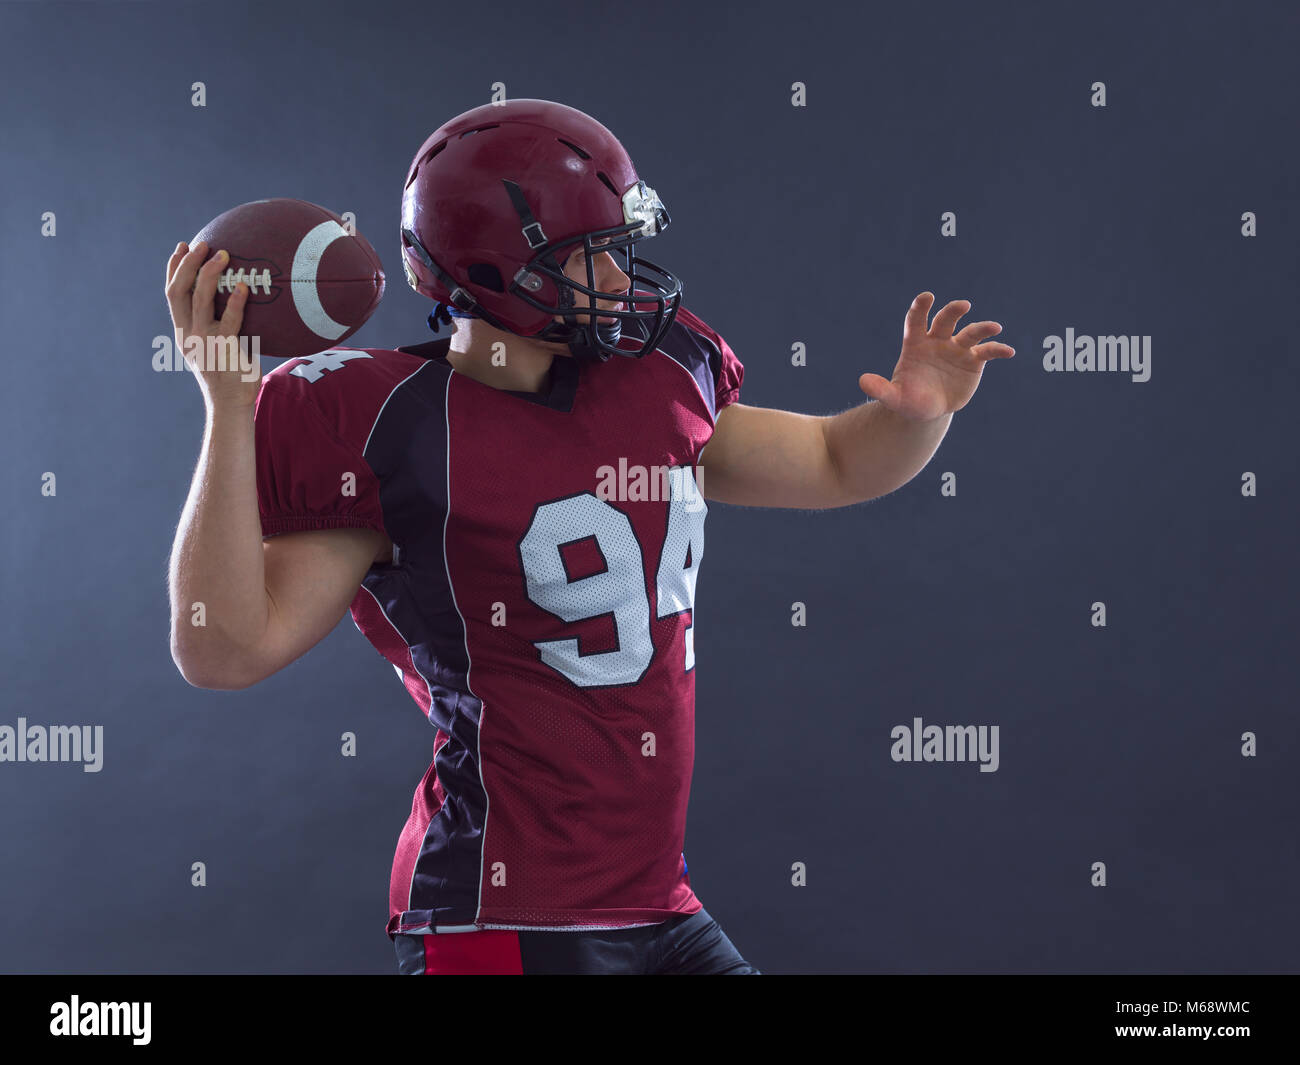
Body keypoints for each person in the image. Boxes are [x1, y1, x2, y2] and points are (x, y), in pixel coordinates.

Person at [164, 99, 1013, 975]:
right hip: (499, 913)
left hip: (657, 899)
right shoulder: (391, 426)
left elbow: (836, 461)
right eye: (587, 256)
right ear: (492, 273)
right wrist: (228, 407)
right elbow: (223, 648)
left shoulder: (654, 380)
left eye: (619, 248)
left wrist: (915, 418)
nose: (618, 278)